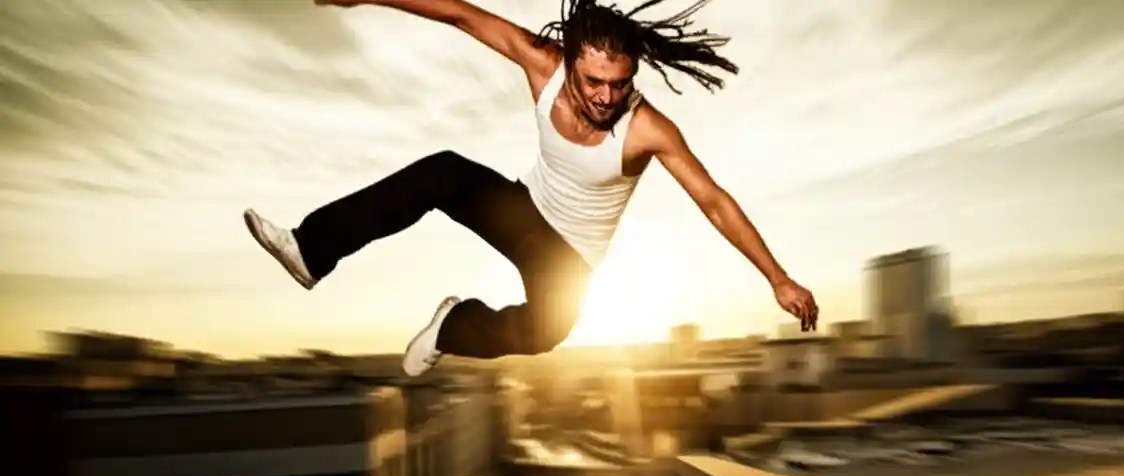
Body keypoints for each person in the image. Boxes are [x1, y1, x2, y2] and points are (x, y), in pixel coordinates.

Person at [243, 0, 819, 377]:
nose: (605, 98)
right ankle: (312, 250)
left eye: (620, 85)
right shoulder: (541, 64)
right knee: (443, 170)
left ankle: (453, 325)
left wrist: (777, 276)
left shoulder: (649, 129)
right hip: (523, 210)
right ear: (569, 62)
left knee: (546, 331)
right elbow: (460, 15)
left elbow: (713, 202)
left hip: (570, 258)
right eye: (594, 81)